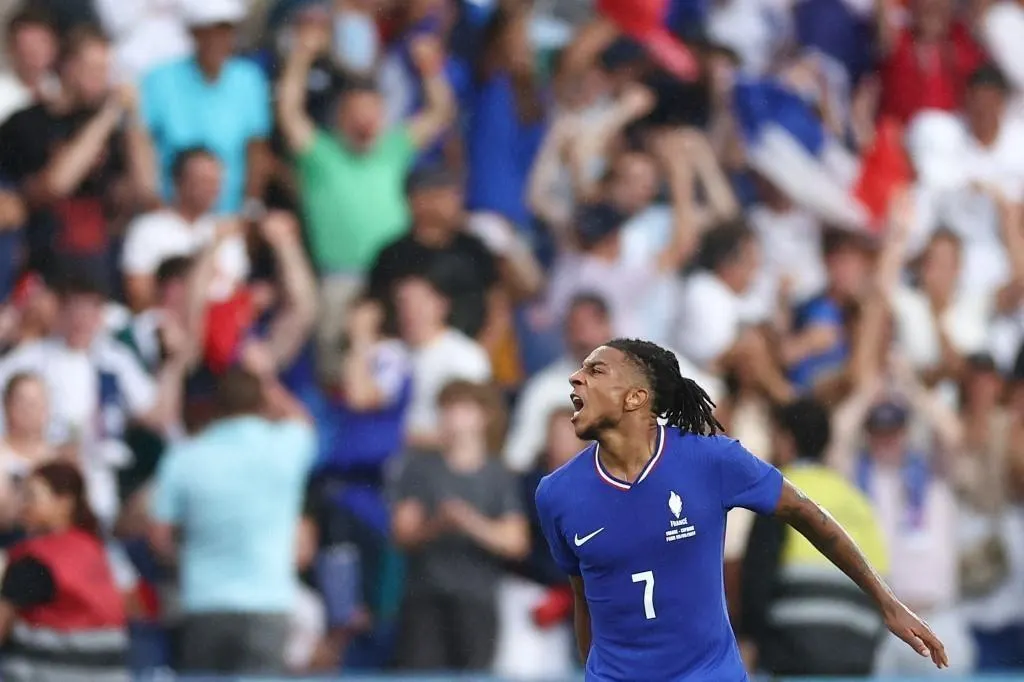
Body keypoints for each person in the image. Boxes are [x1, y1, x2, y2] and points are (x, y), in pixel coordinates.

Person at [535, 337, 948, 682]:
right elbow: (584, 596)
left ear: (636, 397)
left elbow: (810, 515)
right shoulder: (557, 494)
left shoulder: (712, 461)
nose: (576, 377)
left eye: (596, 370)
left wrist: (888, 603)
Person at [148, 364, 316, 675]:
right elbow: (302, 419)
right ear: (262, 403)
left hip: (203, 601)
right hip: (267, 601)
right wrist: (269, 379)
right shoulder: (285, 446)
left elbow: (159, 537)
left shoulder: (185, 456)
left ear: (216, 407)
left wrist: (187, 561)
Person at [0, 462, 129, 682]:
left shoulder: (35, 561)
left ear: (65, 502)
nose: (24, 505)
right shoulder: (96, 548)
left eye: (32, 497)